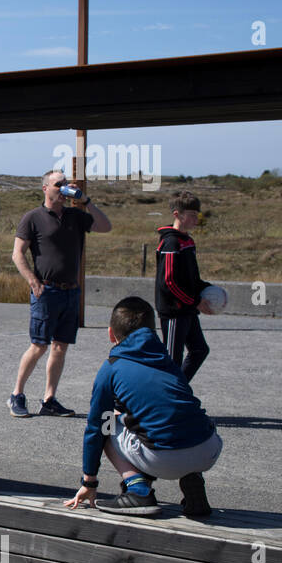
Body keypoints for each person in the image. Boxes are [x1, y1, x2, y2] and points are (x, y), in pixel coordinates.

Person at [65, 296, 221, 518]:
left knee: (108, 425)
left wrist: (89, 480)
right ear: (153, 331)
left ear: (111, 334)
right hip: (208, 449)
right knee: (173, 417)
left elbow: (95, 427)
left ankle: (139, 490)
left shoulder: (111, 368)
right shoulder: (166, 360)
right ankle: (193, 479)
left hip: (165, 460)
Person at [8, 169, 112, 418]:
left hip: (70, 292)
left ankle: (49, 399)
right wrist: (32, 280)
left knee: (59, 347)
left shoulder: (76, 216)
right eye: (59, 184)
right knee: (39, 345)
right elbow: (17, 253)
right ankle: (16, 395)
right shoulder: (33, 218)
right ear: (46, 188)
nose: (64, 189)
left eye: (66, 184)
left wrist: (86, 201)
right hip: (47, 290)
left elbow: (105, 226)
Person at [155, 190, 212, 381]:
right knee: (172, 360)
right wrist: (195, 301)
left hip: (187, 308)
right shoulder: (170, 242)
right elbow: (169, 282)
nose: (196, 219)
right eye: (192, 215)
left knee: (199, 350)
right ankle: (164, 400)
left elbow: (192, 278)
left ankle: (178, 391)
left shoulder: (188, 241)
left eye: (198, 215)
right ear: (177, 215)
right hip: (174, 311)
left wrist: (207, 289)